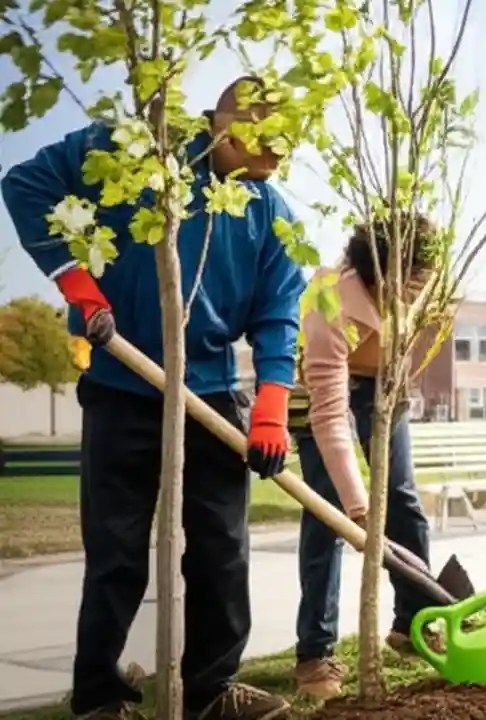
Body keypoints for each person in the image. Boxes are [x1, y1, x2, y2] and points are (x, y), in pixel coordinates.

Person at [1, 76, 304, 719]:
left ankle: (211, 692)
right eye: (271, 136)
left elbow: (279, 313)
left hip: (213, 394)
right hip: (120, 387)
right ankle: (98, 698)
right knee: (116, 551)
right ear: (228, 120)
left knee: (223, 550)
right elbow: (24, 183)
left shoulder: (269, 212)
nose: (283, 153)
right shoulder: (138, 150)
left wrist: (272, 403)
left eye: (293, 139)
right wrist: (77, 283)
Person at [286, 214, 448, 698]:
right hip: (321, 395)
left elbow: (423, 334)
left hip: (384, 388)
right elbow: (331, 415)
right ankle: (316, 653)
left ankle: (415, 623)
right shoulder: (329, 299)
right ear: (382, 270)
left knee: (403, 503)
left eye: (424, 280)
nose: (418, 290)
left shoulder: (427, 277)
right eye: (410, 281)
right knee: (328, 519)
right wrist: (357, 508)